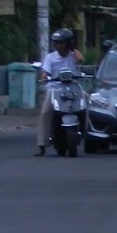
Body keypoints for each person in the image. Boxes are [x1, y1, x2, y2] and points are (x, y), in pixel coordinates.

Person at [35, 28, 83, 156]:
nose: (59, 45)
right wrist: (44, 77)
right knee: (45, 112)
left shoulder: (73, 55)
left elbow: (80, 59)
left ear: (68, 43)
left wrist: (73, 49)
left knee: (89, 101)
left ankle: (89, 133)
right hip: (55, 88)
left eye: (62, 42)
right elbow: (45, 72)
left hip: (73, 87)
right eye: (56, 43)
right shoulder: (50, 57)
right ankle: (41, 144)